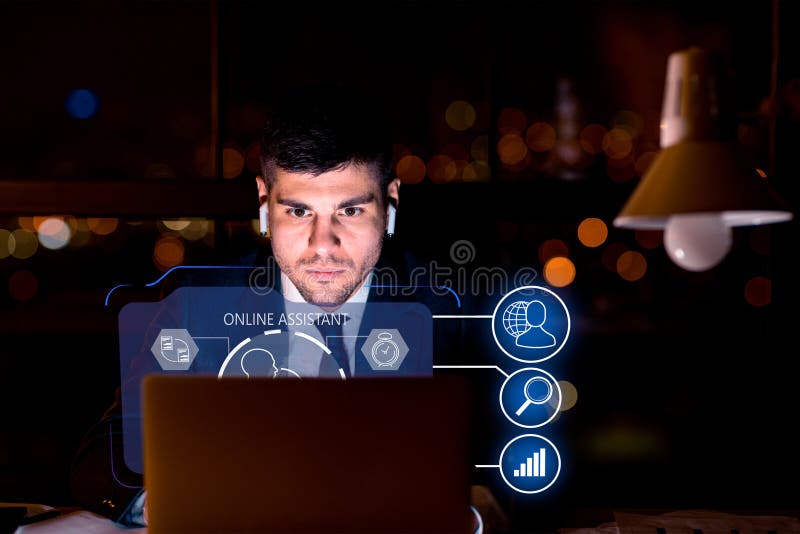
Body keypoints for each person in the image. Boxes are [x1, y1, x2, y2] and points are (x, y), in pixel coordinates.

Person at [70, 84, 493, 531]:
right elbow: (104, 458)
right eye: (298, 212)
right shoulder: (198, 305)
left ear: (390, 203)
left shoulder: (452, 311)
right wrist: (172, 500)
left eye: (350, 212)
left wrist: (465, 514)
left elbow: (506, 473)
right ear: (263, 203)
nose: (323, 245)